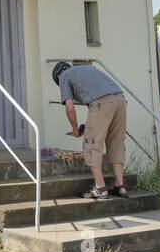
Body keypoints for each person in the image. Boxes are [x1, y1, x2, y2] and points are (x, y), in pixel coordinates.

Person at [52, 60, 128, 199]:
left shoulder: (64, 77)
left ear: (58, 75)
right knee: (116, 142)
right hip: (120, 99)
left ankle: (100, 188)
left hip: (101, 103)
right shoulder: (86, 69)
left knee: (92, 145)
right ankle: (120, 186)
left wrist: (75, 130)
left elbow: (70, 107)